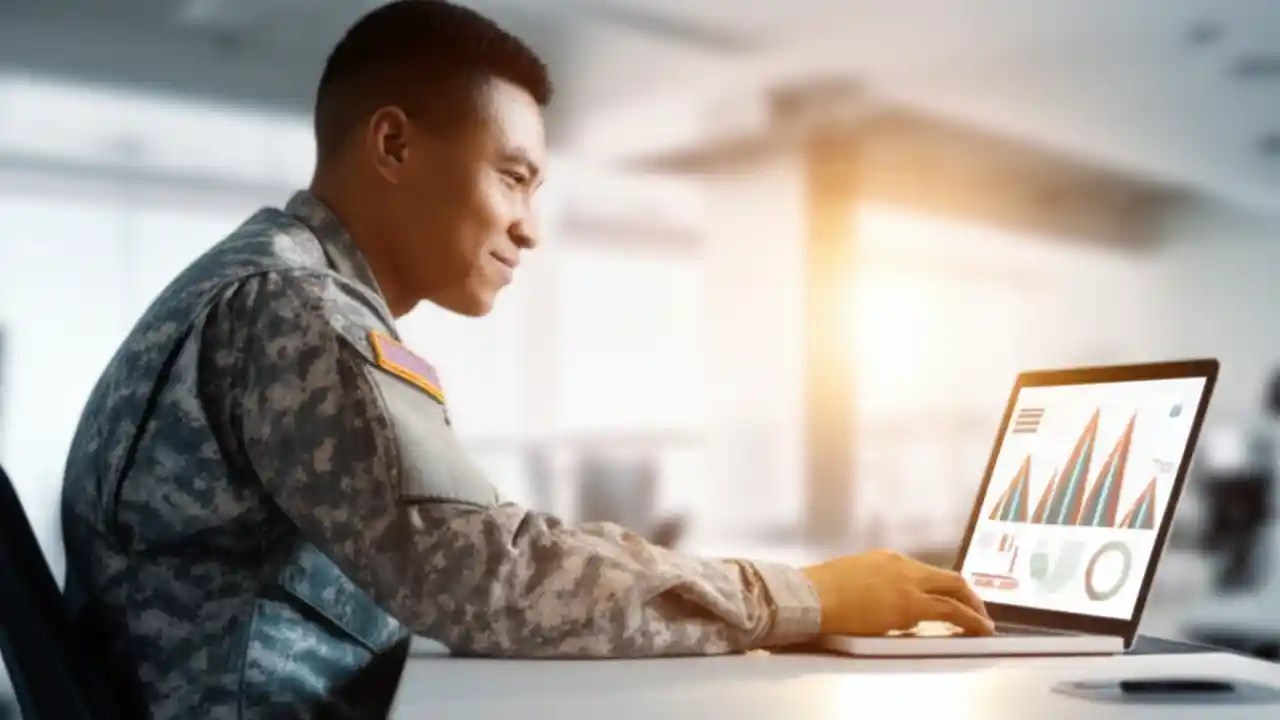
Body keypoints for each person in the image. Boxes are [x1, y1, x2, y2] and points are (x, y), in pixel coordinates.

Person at [60, 1, 993, 718]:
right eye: (513, 177)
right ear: (394, 144)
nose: (529, 228)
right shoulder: (297, 309)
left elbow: (481, 543)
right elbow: (482, 577)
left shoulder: (269, 282)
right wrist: (800, 597)